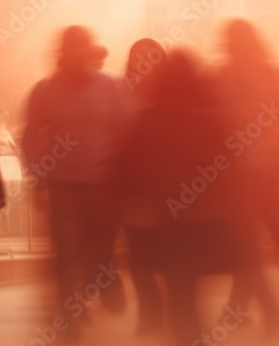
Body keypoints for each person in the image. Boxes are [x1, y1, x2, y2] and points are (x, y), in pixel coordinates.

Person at [118, 51, 248, 344]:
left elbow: (128, 166)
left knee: (180, 288)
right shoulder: (211, 120)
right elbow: (228, 167)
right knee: (189, 288)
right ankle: (192, 335)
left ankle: (187, 334)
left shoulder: (149, 119)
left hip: (166, 219)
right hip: (204, 221)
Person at [21, 26, 126, 338]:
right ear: (63, 52)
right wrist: (39, 179)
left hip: (102, 186)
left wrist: (123, 179)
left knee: (100, 248)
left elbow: (124, 134)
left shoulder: (109, 87)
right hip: (63, 186)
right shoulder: (46, 90)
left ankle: (101, 284)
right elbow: (29, 137)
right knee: (67, 253)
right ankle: (68, 317)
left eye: (83, 47)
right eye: (72, 48)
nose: (78, 54)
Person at [213, 19, 279, 334]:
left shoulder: (225, 78)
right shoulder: (265, 75)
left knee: (247, 249)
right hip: (254, 176)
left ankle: (238, 310)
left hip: (255, 176)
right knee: (247, 249)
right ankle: (246, 310)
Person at [118, 38, 169, 336]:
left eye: (150, 57)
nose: (144, 62)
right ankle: (150, 313)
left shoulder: (170, 92)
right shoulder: (119, 91)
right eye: (138, 56)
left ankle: (173, 306)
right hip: (134, 186)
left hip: (169, 186)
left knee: (168, 252)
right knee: (138, 256)